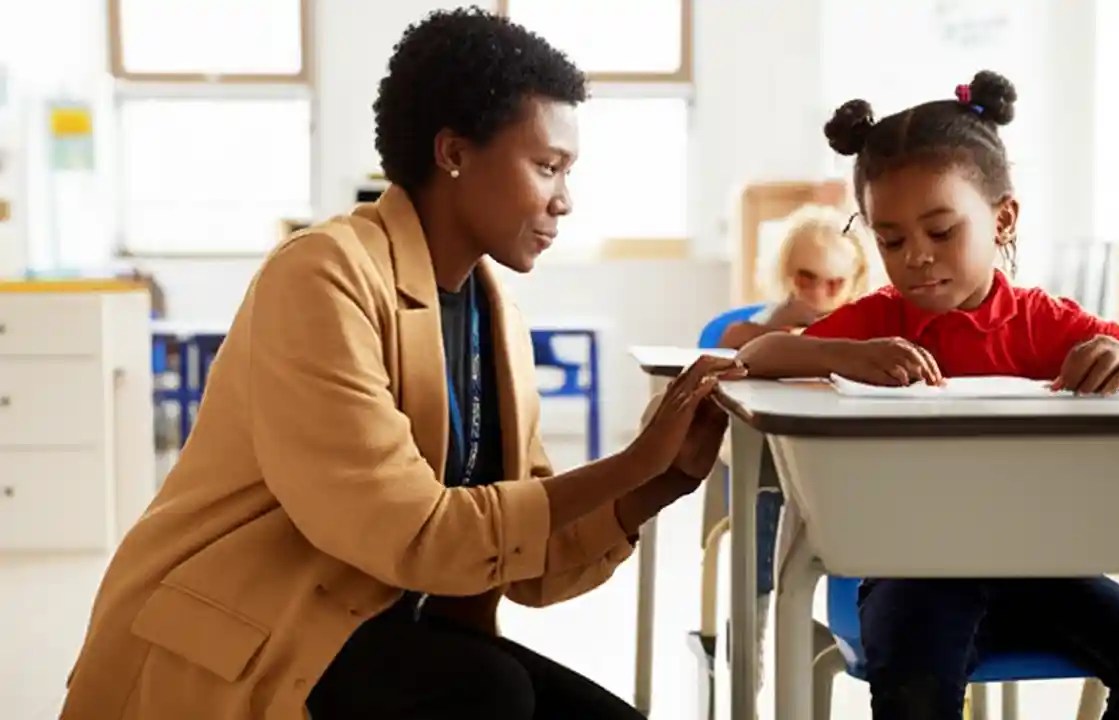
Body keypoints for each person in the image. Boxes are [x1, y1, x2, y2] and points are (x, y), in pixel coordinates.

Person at [61, 9, 742, 719]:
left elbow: (531, 562)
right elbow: (411, 532)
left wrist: (661, 481)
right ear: (454, 152)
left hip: (379, 628)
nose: (564, 201)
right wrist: (630, 463)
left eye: (567, 173)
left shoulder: (494, 313)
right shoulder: (321, 275)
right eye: (547, 167)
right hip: (256, 632)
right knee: (487, 695)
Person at [737, 71, 1119, 719]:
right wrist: (842, 354)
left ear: (1003, 219)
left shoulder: (1041, 322)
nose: (916, 258)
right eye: (891, 240)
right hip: (911, 569)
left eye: (941, 232)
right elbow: (758, 355)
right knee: (916, 687)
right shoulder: (879, 319)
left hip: (1041, 570)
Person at [718, 203, 871, 349]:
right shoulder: (773, 317)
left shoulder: (861, 323)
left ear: (855, 281)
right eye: (805, 279)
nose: (818, 292)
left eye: (834, 284)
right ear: (786, 272)